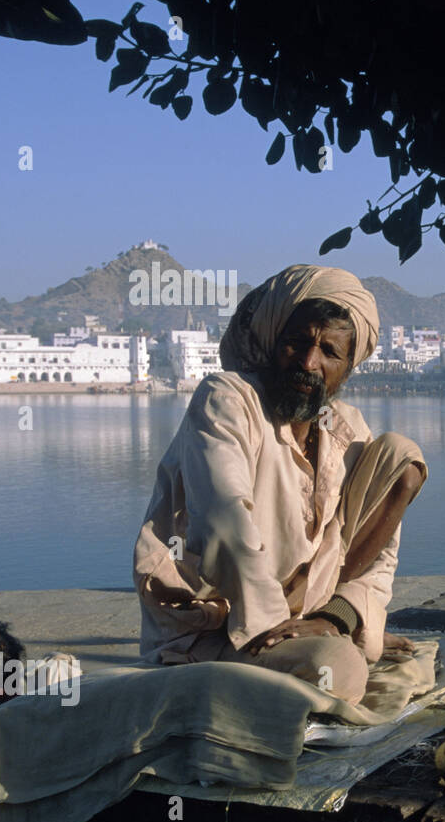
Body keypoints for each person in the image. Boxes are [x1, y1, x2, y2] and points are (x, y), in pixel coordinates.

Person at [133, 265, 428, 704]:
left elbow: (380, 556)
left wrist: (337, 618)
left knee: (402, 459)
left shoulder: (346, 427)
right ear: (274, 343)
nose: (309, 363)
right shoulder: (228, 400)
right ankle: (297, 656)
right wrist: (278, 632)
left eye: (329, 351)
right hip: (215, 628)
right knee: (338, 669)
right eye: (297, 343)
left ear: (347, 370)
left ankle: (323, 638)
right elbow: (224, 523)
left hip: (302, 615)